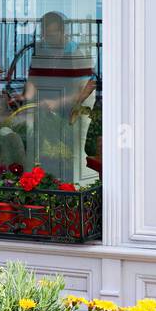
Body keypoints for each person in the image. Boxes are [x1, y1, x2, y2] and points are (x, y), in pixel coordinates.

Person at [22, 12, 97, 184]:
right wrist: (26, 98)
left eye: (51, 34)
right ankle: (33, 183)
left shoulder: (76, 53)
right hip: (47, 109)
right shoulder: (42, 50)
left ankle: (76, 187)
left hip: (73, 110)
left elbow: (85, 90)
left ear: (63, 32)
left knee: (74, 151)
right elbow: (32, 81)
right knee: (35, 145)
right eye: (44, 34)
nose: (46, 38)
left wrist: (56, 102)